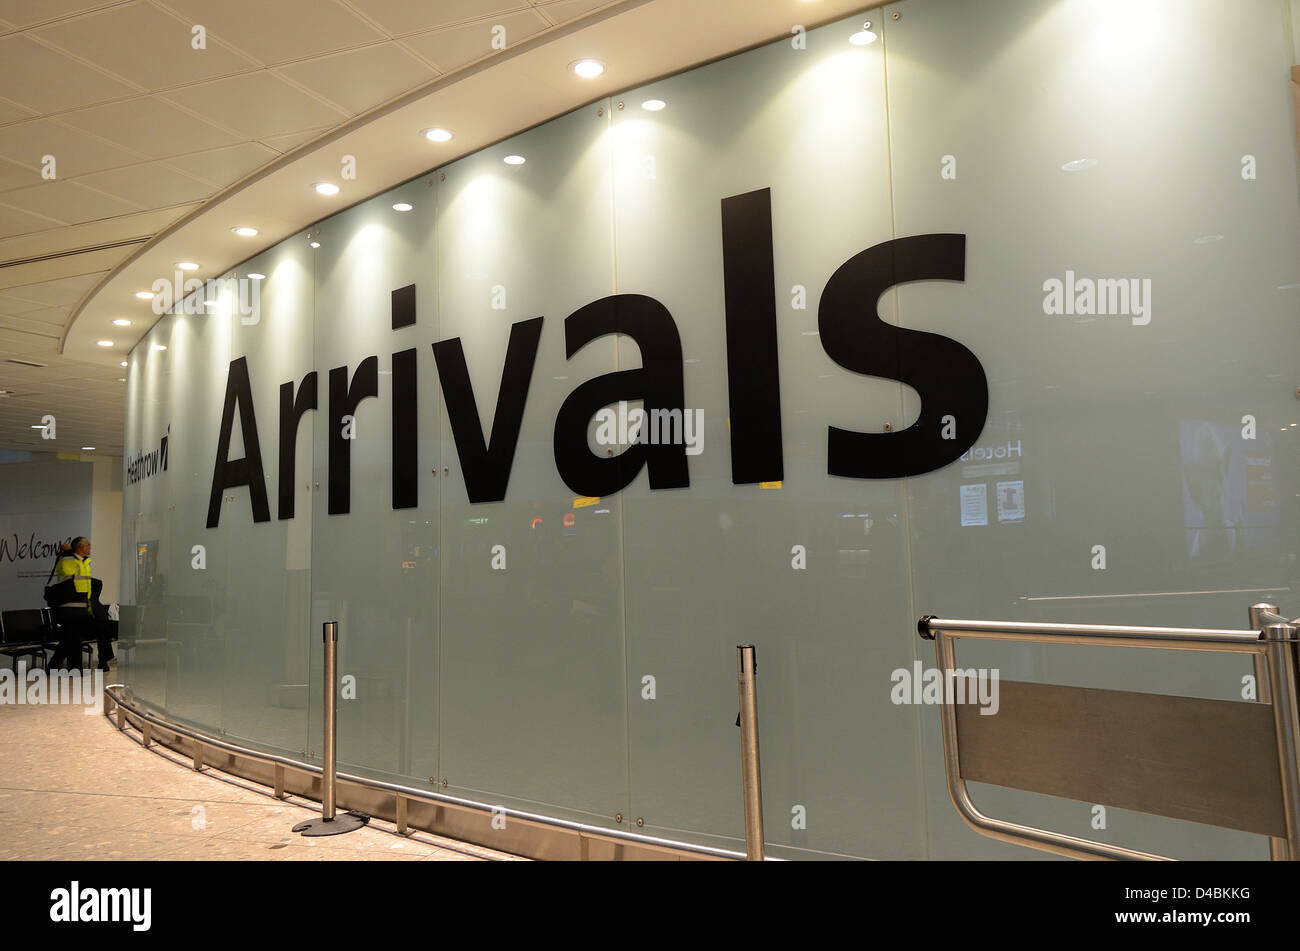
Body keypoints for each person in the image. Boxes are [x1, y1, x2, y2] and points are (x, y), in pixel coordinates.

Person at [48, 537, 113, 672]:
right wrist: (69, 552)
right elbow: (67, 570)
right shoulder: (69, 559)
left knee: (71, 638)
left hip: (81, 607)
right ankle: (73, 669)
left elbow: (86, 586)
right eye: (87, 545)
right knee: (73, 638)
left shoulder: (83, 562)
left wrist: (89, 606)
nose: (89, 547)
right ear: (80, 547)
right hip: (68, 607)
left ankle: (55, 665)